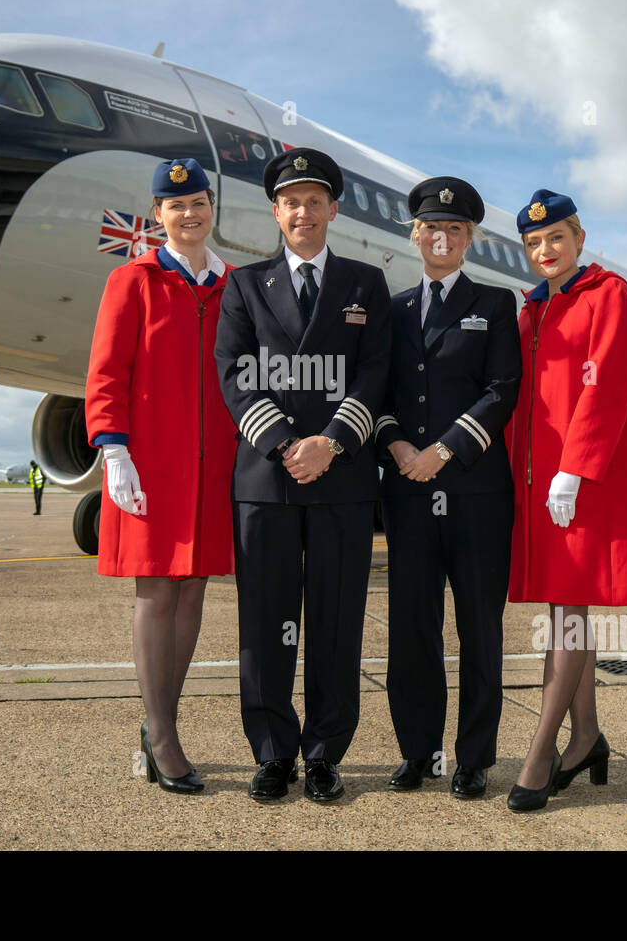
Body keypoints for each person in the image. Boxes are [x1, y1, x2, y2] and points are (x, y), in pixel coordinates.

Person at [215, 147, 392, 803]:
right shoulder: (244, 283)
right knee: (264, 622)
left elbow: (375, 372)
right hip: (267, 479)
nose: (304, 212)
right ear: (276, 211)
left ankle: (322, 753)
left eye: (316, 201)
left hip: (341, 479)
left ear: (333, 210)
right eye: (292, 202)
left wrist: (334, 441)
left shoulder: (364, 284)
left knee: (336, 619)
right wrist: (290, 443)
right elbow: (235, 371)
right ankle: (271, 752)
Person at [84, 158, 237, 795]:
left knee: (193, 592)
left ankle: (159, 726)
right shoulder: (133, 280)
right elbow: (105, 371)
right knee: (156, 593)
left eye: (199, 202)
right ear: (158, 215)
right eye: (176, 205)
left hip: (216, 466)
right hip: (150, 466)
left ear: (211, 209)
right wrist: (113, 451)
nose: (189, 213)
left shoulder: (234, 288)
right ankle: (163, 734)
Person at [506, 189, 627, 812]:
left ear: (579, 236)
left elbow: (611, 382)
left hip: (579, 483)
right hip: (542, 482)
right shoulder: (533, 309)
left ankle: (541, 753)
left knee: (567, 611)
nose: (545, 250)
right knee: (567, 606)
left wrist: (574, 469)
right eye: (534, 243)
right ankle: (588, 737)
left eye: (556, 239)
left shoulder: (608, 294)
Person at [374, 177, 521, 799]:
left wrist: (445, 449)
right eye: (432, 227)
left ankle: (473, 759)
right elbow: (374, 391)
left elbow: (502, 391)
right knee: (412, 628)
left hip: (477, 493)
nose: (442, 237)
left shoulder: (496, 304)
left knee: (479, 629)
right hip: (408, 492)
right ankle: (417, 753)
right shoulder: (393, 309)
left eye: (455, 229)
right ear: (415, 234)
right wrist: (399, 445)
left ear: (470, 240)